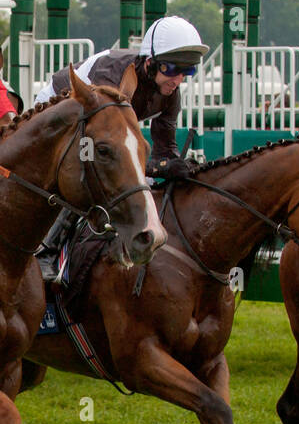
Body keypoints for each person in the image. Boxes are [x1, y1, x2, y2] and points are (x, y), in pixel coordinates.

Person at [35, 14, 209, 281]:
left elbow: (165, 151)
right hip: (58, 111)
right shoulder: (113, 76)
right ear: (150, 64)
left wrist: (173, 166)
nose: (178, 79)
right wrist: (159, 166)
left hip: (97, 128)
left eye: (188, 71)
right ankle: (46, 251)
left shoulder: (170, 95)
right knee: (89, 170)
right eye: (172, 69)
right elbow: (100, 150)